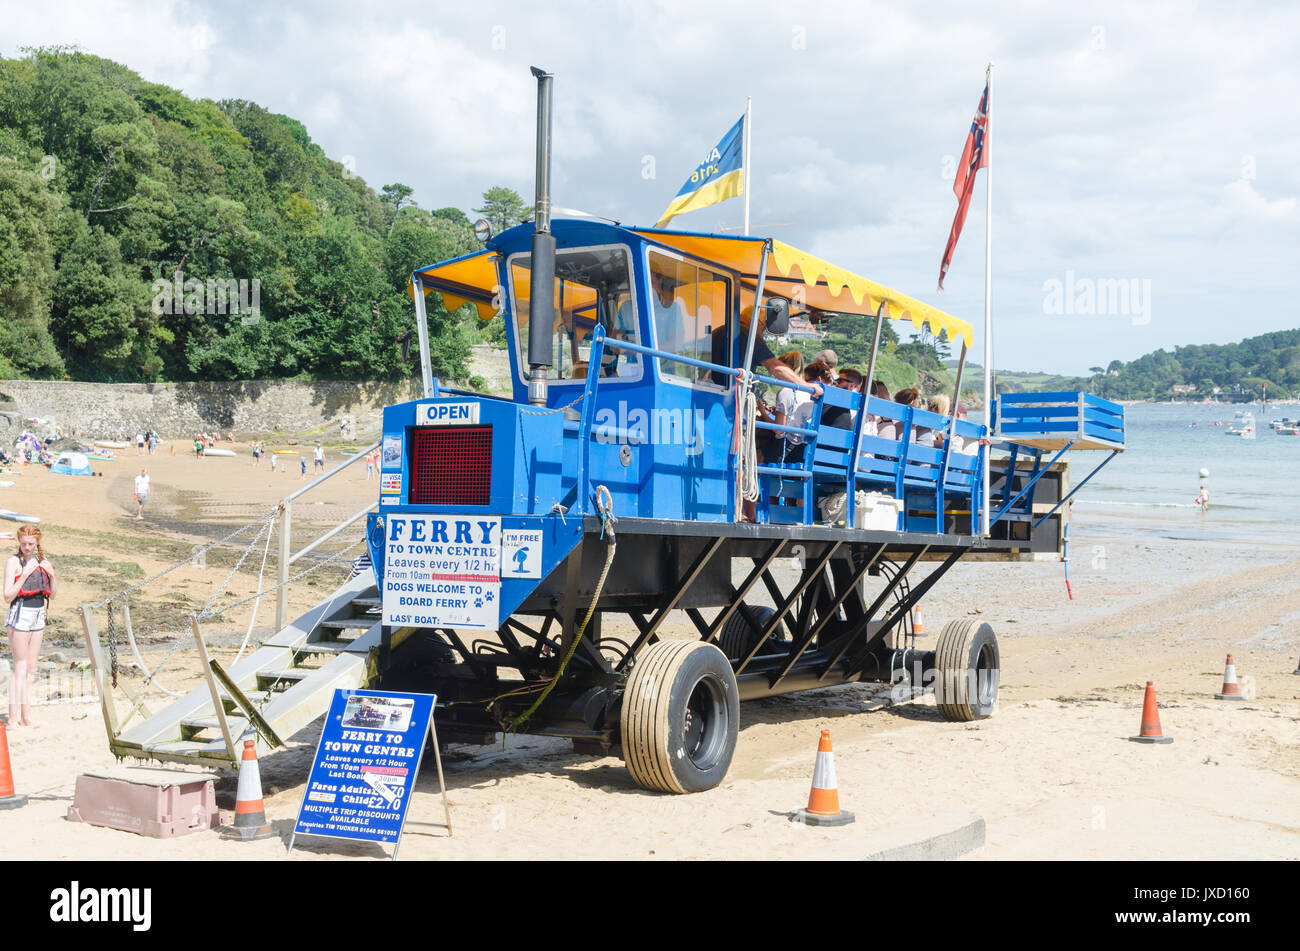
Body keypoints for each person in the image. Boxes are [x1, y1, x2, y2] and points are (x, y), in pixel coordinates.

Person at [5, 525, 56, 726]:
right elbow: (7, 596)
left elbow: (52, 594)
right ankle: (12, 719)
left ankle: (26, 717)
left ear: (37, 543)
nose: (27, 547)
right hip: (20, 615)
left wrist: (52, 575)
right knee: (20, 666)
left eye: (31, 544)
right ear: (19, 542)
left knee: (31, 668)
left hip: (38, 614)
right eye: (24, 543)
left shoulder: (43, 561)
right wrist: (25, 574)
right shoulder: (13, 562)